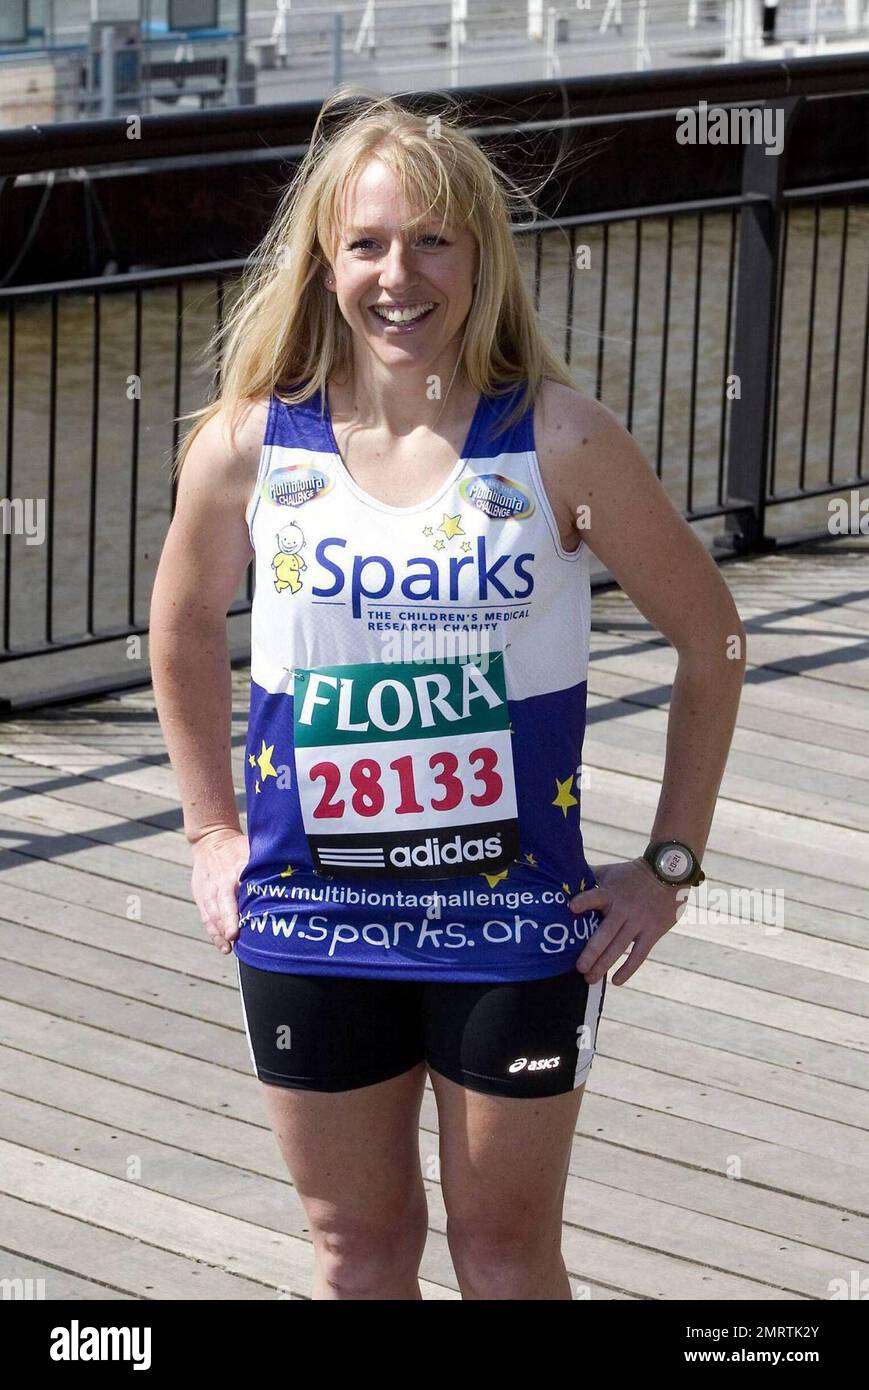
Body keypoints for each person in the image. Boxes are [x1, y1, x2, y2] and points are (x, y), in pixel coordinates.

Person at [149, 86, 746, 1301]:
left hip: (514, 925)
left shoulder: (560, 443)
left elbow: (712, 641)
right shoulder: (250, 446)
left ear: (479, 256)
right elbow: (179, 630)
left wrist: (670, 863)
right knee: (356, 1253)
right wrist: (212, 827)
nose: (396, 274)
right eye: (365, 242)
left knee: (503, 1256)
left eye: (429, 239)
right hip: (313, 918)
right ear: (324, 263)